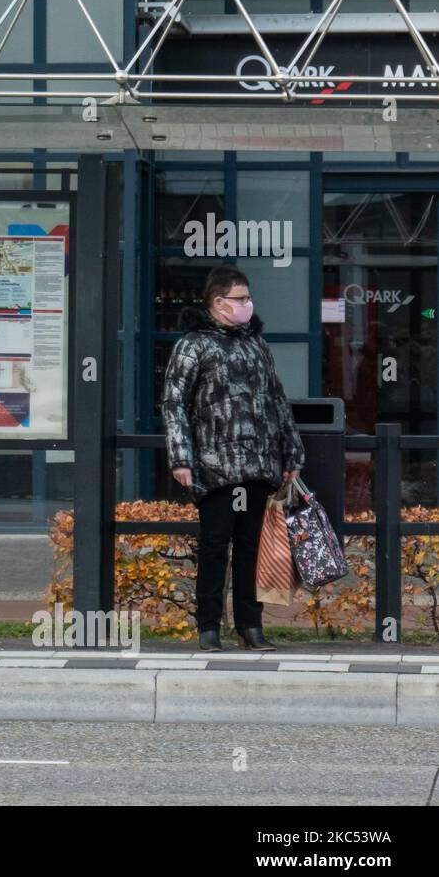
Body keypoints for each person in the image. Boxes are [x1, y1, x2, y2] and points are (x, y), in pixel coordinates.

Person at [161, 265, 304, 653]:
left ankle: (250, 627)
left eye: (247, 297)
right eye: (240, 299)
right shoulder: (193, 346)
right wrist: (181, 459)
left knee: (250, 549)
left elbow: (277, 399)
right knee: (213, 546)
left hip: (258, 464)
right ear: (219, 302)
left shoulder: (256, 343)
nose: (248, 305)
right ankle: (209, 627)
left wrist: (292, 451)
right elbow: (174, 404)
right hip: (215, 465)